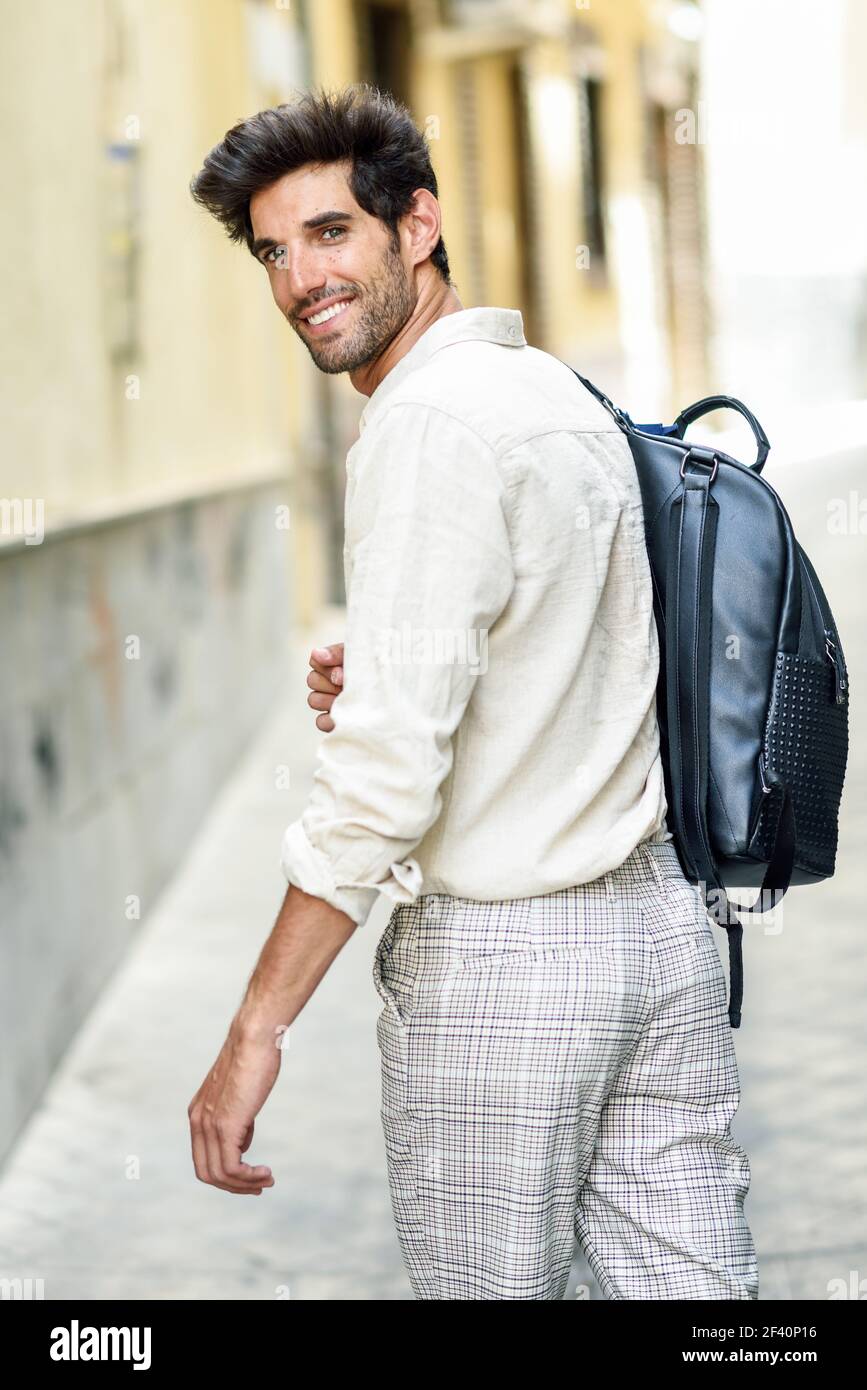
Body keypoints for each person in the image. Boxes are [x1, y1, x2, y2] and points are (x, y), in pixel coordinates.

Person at [186, 84, 758, 1301]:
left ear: (418, 224)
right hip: (659, 934)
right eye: (274, 252)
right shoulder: (545, 386)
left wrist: (252, 1038)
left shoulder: (427, 424)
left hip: (513, 968)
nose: (299, 280)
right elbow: (572, 638)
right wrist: (404, 674)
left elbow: (381, 790)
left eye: (331, 233)